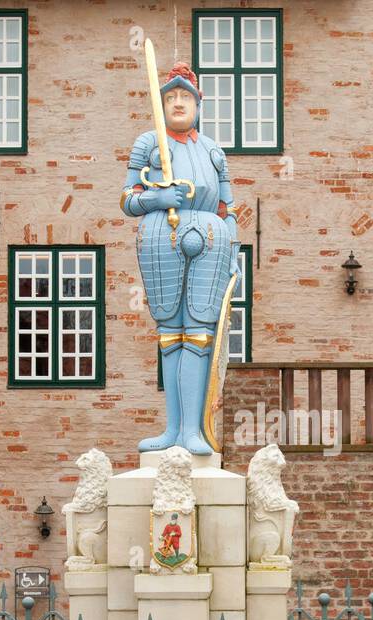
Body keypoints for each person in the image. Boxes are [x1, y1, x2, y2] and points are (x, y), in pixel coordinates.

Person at [121, 62, 239, 455]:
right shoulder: (148, 143)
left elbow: (227, 206)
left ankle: (194, 430)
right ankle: (172, 428)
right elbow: (127, 197)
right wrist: (157, 198)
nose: (177, 103)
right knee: (170, 332)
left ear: (197, 104)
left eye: (184, 96)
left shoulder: (213, 150)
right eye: (169, 97)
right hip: (162, 231)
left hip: (210, 233)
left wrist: (234, 251)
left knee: (200, 332)